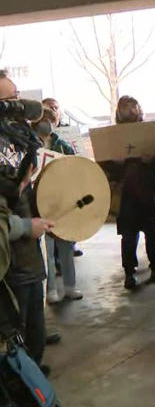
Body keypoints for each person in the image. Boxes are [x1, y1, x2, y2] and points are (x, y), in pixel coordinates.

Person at [0, 69, 56, 375]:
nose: (19, 107)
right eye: (10, 101)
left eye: (17, 97)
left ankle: (33, 369)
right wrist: (24, 226)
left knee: (36, 320)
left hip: (31, 257)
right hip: (10, 264)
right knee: (17, 329)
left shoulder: (21, 143)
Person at [115, 95, 155, 289]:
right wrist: (117, 162)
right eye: (126, 107)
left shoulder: (149, 131)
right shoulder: (114, 135)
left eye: (134, 106)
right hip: (129, 192)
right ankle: (129, 272)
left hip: (149, 187)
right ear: (119, 111)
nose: (131, 111)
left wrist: (153, 157)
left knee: (153, 232)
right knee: (129, 236)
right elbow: (110, 168)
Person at [31, 109, 81, 304]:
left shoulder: (64, 146)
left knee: (66, 247)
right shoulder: (30, 145)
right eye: (43, 119)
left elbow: (76, 169)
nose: (47, 122)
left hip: (62, 204)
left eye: (50, 119)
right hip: (40, 204)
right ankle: (50, 288)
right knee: (47, 251)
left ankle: (70, 286)